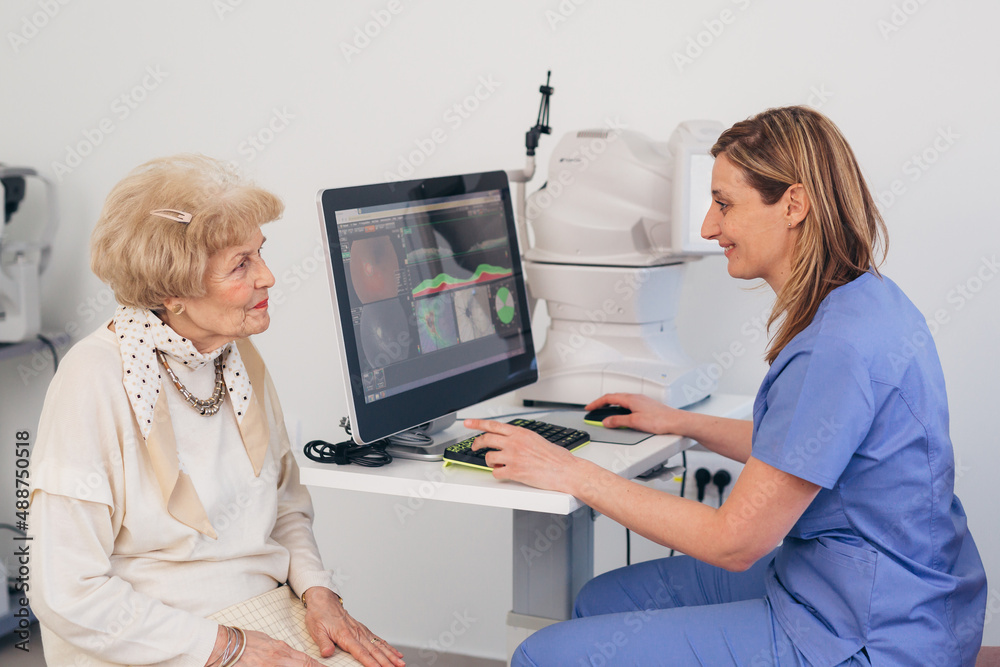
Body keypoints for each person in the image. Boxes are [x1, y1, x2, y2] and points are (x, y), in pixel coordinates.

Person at [466, 106, 987, 666]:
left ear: (793, 204)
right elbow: (810, 447)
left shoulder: (834, 347)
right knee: (600, 600)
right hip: (898, 593)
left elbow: (734, 543)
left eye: (724, 204)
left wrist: (565, 469)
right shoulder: (868, 299)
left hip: (868, 629)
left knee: (541, 656)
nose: (708, 228)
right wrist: (681, 423)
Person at [28, 155, 405, 667]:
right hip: (152, 636)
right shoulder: (92, 379)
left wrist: (320, 594)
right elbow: (65, 594)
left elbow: (286, 506)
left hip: (262, 607)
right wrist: (226, 647)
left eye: (260, 253)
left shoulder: (237, 352)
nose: (269, 276)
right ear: (171, 291)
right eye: (240, 264)